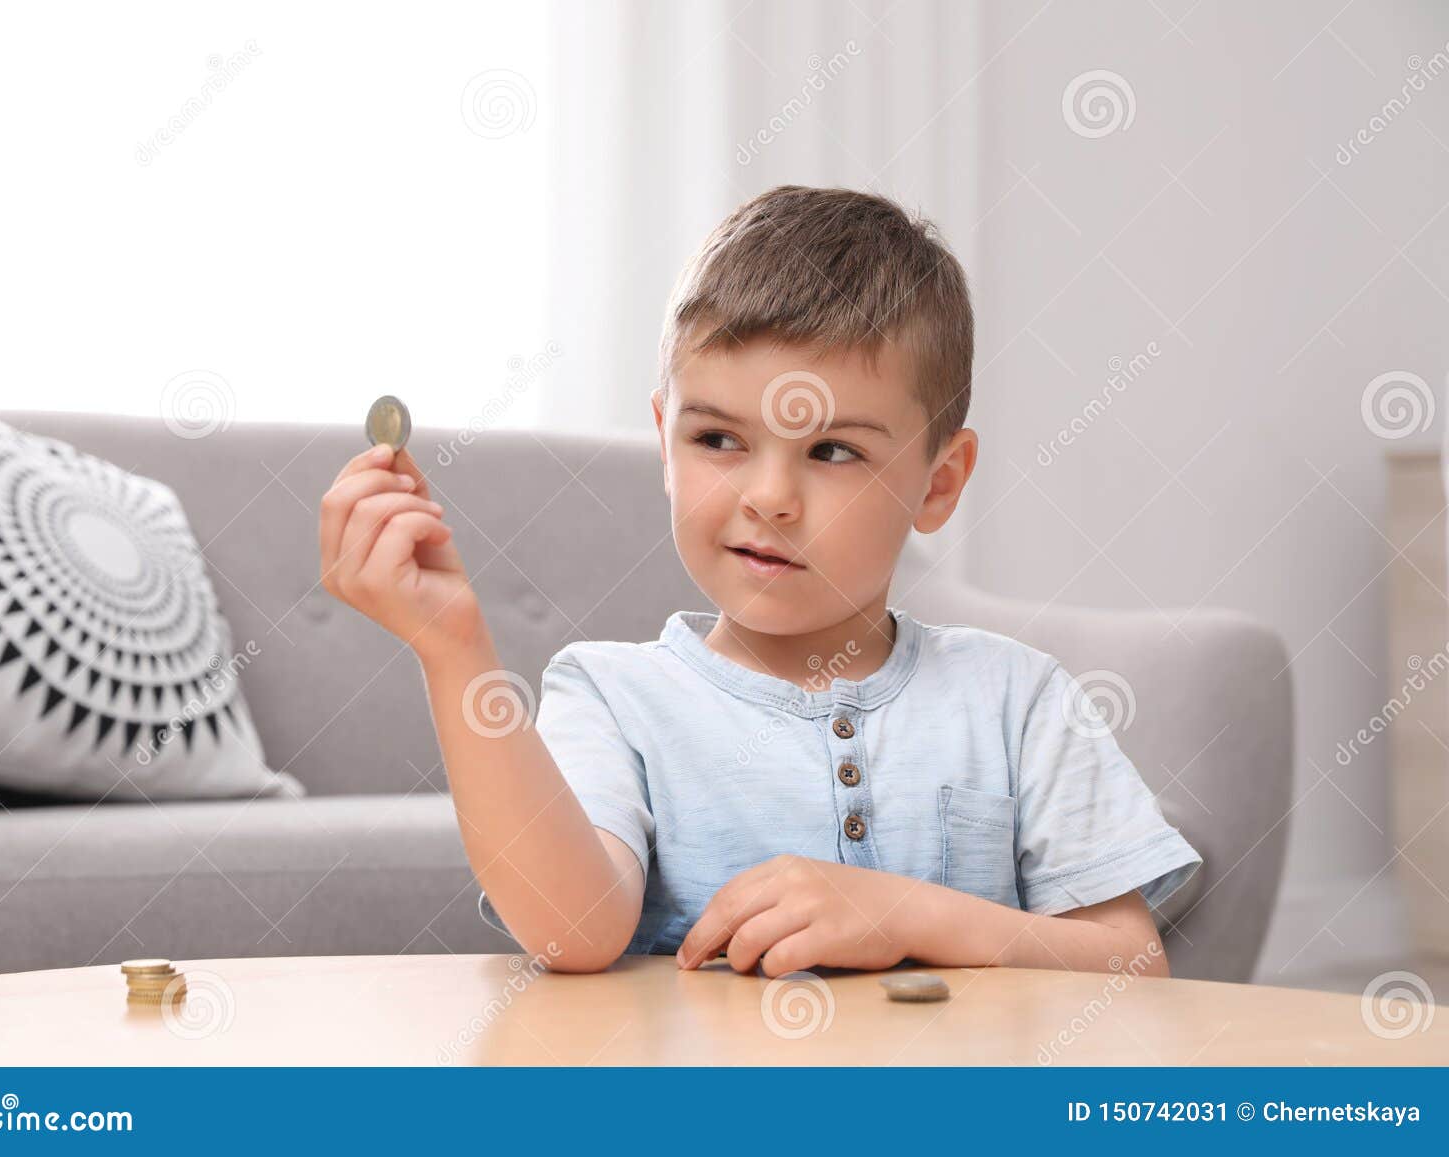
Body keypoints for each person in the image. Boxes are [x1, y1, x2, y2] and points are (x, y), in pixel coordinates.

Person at [316, 185, 1200, 978]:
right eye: (719, 440)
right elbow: (573, 931)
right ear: (665, 444)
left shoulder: (1018, 699)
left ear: (938, 484)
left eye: (833, 451)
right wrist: (455, 651)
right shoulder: (612, 696)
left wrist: (906, 913)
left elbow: (1130, 961)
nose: (770, 497)